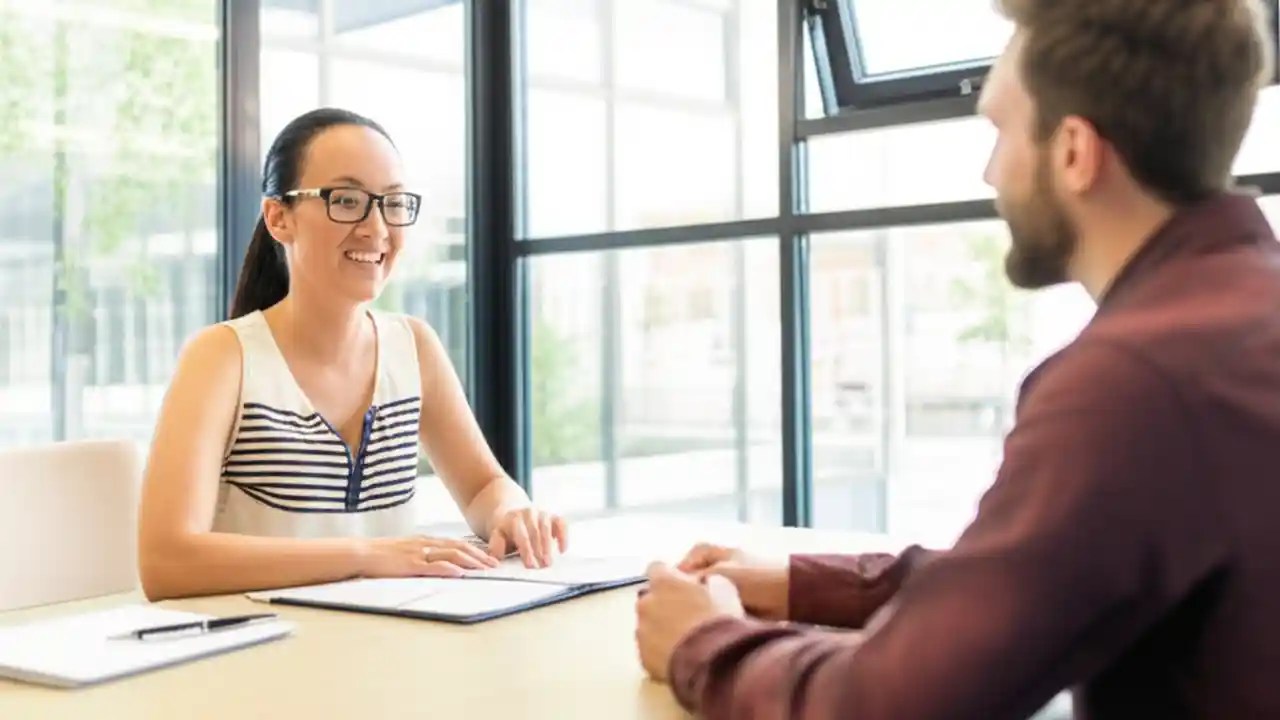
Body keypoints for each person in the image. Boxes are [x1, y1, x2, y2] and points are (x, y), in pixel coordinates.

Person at [636, 1, 1280, 718]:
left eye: (1002, 131)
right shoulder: (1241, 324)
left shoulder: (1138, 382)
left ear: (1074, 152)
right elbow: (1045, 571)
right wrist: (798, 581)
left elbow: (887, 705)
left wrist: (702, 639)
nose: (989, 173)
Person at [138, 108, 566, 600]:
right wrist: (365, 556)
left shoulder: (414, 347)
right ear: (279, 217)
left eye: (392, 203)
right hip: (258, 656)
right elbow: (165, 560)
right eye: (347, 200)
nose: (376, 227)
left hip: (387, 644)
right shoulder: (222, 358)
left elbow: (482, 487)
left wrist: (512, 510)